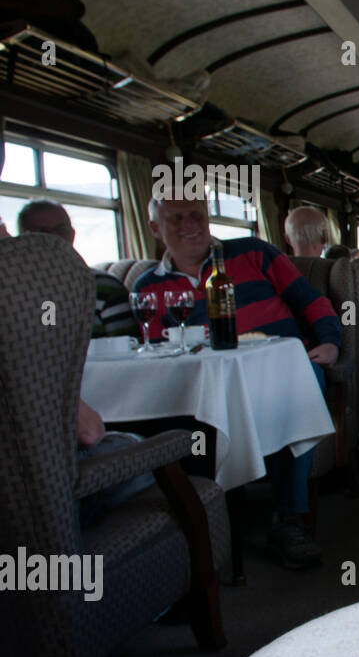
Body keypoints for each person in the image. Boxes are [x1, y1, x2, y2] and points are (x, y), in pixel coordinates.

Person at [133, 194, 342, 568]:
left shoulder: (253, 253)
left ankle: (289, 518)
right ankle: (208, 517)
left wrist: (329, 342)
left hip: (280, 370)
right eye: (175, 218)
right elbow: (158, 352)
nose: (188, 225)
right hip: (207, 384)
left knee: (303, 380)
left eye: (195, 215)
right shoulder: (148, 287)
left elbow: (310, 300)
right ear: (154, 228)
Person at [17, 199, 135, 337]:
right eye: (43, 231)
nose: (55, 237)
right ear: (23, 239)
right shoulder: (12, 292)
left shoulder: (105, 287)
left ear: (73, 234)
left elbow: (128, 347)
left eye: (61, 229)